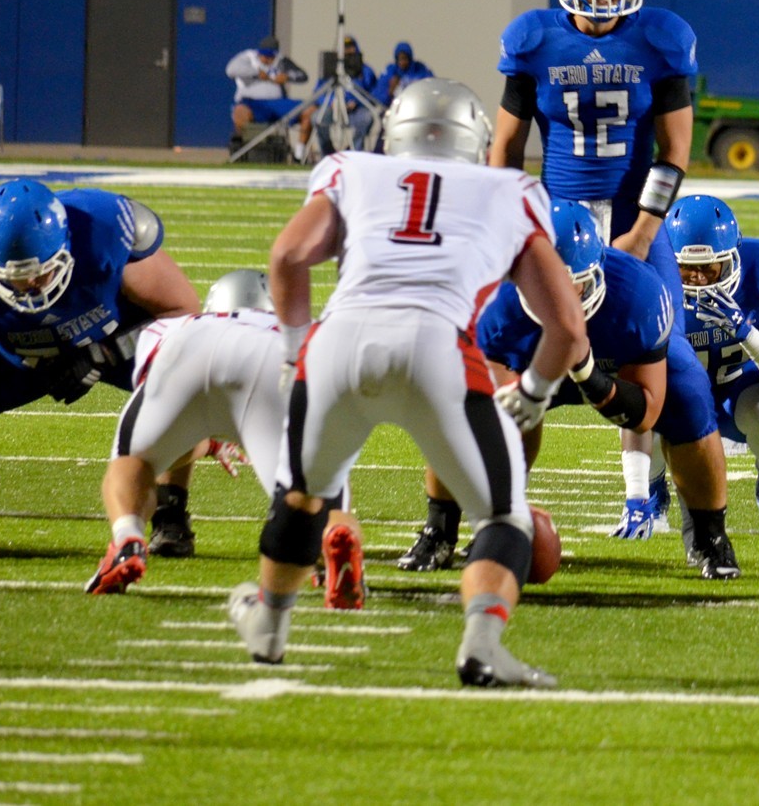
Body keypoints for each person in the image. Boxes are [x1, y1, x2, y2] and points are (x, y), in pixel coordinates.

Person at [226, 77, 586, 688]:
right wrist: (534, 392)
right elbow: (569, 329)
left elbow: (288, 256)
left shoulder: (352, 170)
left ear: (394, 132)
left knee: (303, 494)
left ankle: (269, 624)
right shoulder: (511, 190)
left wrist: (293, 351)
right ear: (474, 140)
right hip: (436, 345)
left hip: (339, 343)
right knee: (503, 518)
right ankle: (481, 646)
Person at [400, 200, 743, 579]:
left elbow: (644, 414)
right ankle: (439, 530)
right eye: (543, 284)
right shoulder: (491, 297)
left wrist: (589, 375)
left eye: (570, 285)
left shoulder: (637, 295)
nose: (558, 300)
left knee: (689, 398)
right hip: (527, 358)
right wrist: (522, 393)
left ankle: (710, 537)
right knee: (468, 412)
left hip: (611, 353)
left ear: (596, 274)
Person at [492, 0, 699, 532]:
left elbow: (674, 154)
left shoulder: (659, 39)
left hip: (637, 214)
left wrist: (640, 233)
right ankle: (493, 505)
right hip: (557, 225)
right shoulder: (533, 40)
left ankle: (652, 501)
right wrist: (511, 227)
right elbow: (504, 152)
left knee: (666, 355)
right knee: (505, 349)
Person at [0, 179, 201, 558]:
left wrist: (102, 355)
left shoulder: (103, 229)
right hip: (19, 351)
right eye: (17, 279)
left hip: (112, 333)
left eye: (41, 273)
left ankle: (171, 510)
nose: (31, 287)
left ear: (67, 246)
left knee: (187, 379)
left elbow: (185, 314)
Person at [84, 270, 364, 609]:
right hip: (273, 358)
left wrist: (203, 439)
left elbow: (164, 438)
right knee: (313, 489)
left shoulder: (174, 324)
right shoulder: (299, 330)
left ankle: (127, 539)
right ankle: (331, 534)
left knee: (133, 462)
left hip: (188, 346)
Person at [664, 195, 759, 536]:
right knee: (647, 400)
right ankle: (650, 497)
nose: (698, 279)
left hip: (740, 391)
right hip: (679, 396)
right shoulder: (652, 281)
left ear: (732, 261)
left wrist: (745, 331)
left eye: (709, 268)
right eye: (687, 268)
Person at [301, 34, 381, 160]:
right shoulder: (331, 70)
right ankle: (328, 154)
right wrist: (331, 102)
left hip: (355, 111)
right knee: (318, 118)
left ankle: (354, 153)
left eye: (350, 47)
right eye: (345, 48)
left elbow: (373, 94)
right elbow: (318, 92)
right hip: (334, 109)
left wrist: (357, 103)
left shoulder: (365, 71)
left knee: (366, 118)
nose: (348, 51)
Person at [227, 35, 309, 155]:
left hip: (277, 103)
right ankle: (242, 150)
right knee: (239, 111)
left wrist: (287, 77)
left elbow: (302, 76)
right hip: (252, 102)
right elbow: (230, 70)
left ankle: (299, 154)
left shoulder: (281, 61)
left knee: (308, 108)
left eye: (271, 56)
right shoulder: (248, 57)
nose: (267, 59)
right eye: (265, 55)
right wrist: (256, 73)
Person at [375, 41, 434, 108]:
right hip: (395, 110)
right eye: (400, 59)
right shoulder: (389, 72)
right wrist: (390, 92)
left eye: (405, 58)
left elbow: (431, 87)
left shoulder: (421, 69)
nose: (402, 62)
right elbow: (378, 98)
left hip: (418, 108)